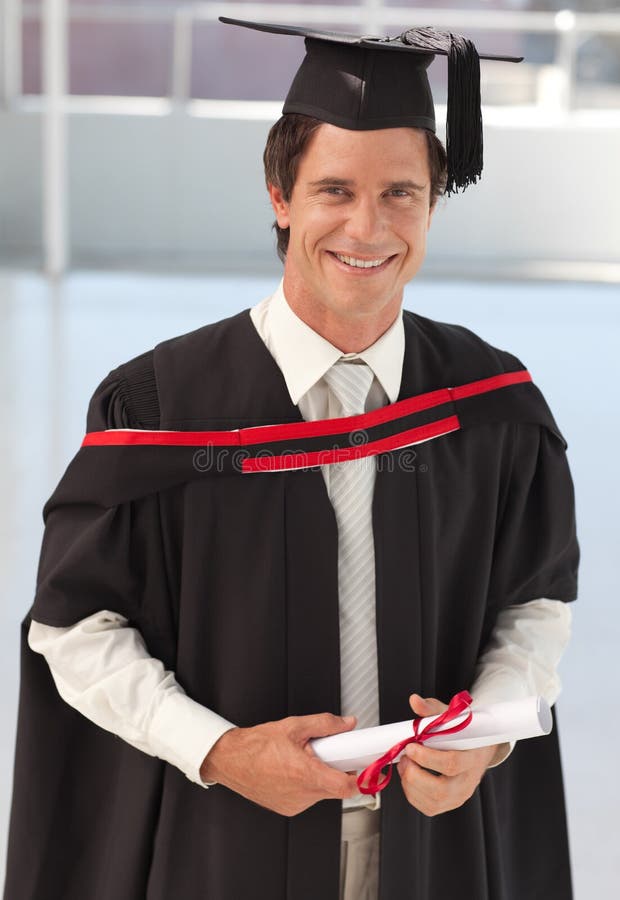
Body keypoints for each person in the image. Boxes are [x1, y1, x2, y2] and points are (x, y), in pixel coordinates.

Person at [4, 20, 579, 900]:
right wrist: (222, 751)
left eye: (400, 193)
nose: (367, 226)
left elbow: (532, 603)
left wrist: (485, 736)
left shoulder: (488, 404)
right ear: (280, 194)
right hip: (222, 850)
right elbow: (75, 630)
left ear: (433, 203)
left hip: (429, 857)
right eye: (334, 190)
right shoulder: (162, 407)